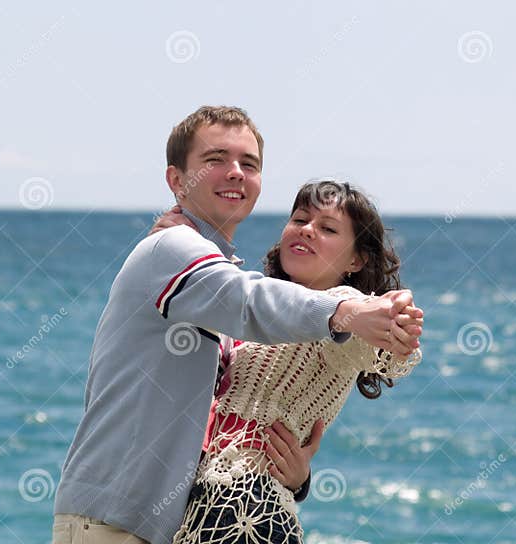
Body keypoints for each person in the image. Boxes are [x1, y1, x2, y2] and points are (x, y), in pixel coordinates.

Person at [52, 107, 423, 544]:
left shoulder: (300, 299)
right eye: (216, 159)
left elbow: (380, 354)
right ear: (176, 180)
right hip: (116, 521)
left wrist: (389, 326)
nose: (235, 173)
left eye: (249, 164)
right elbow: (248, 301)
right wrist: (347, 316)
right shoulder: (176, 250)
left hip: (204, 521)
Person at [165, 181, 422, 543]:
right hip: (215, 504)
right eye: (300, 219)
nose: (307, 229)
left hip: (245, 507)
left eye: (328, 228)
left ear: (356, 260)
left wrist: (395, 325)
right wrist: (177, 242)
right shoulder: (259, 313)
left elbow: (371, 344)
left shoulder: (340, 306)